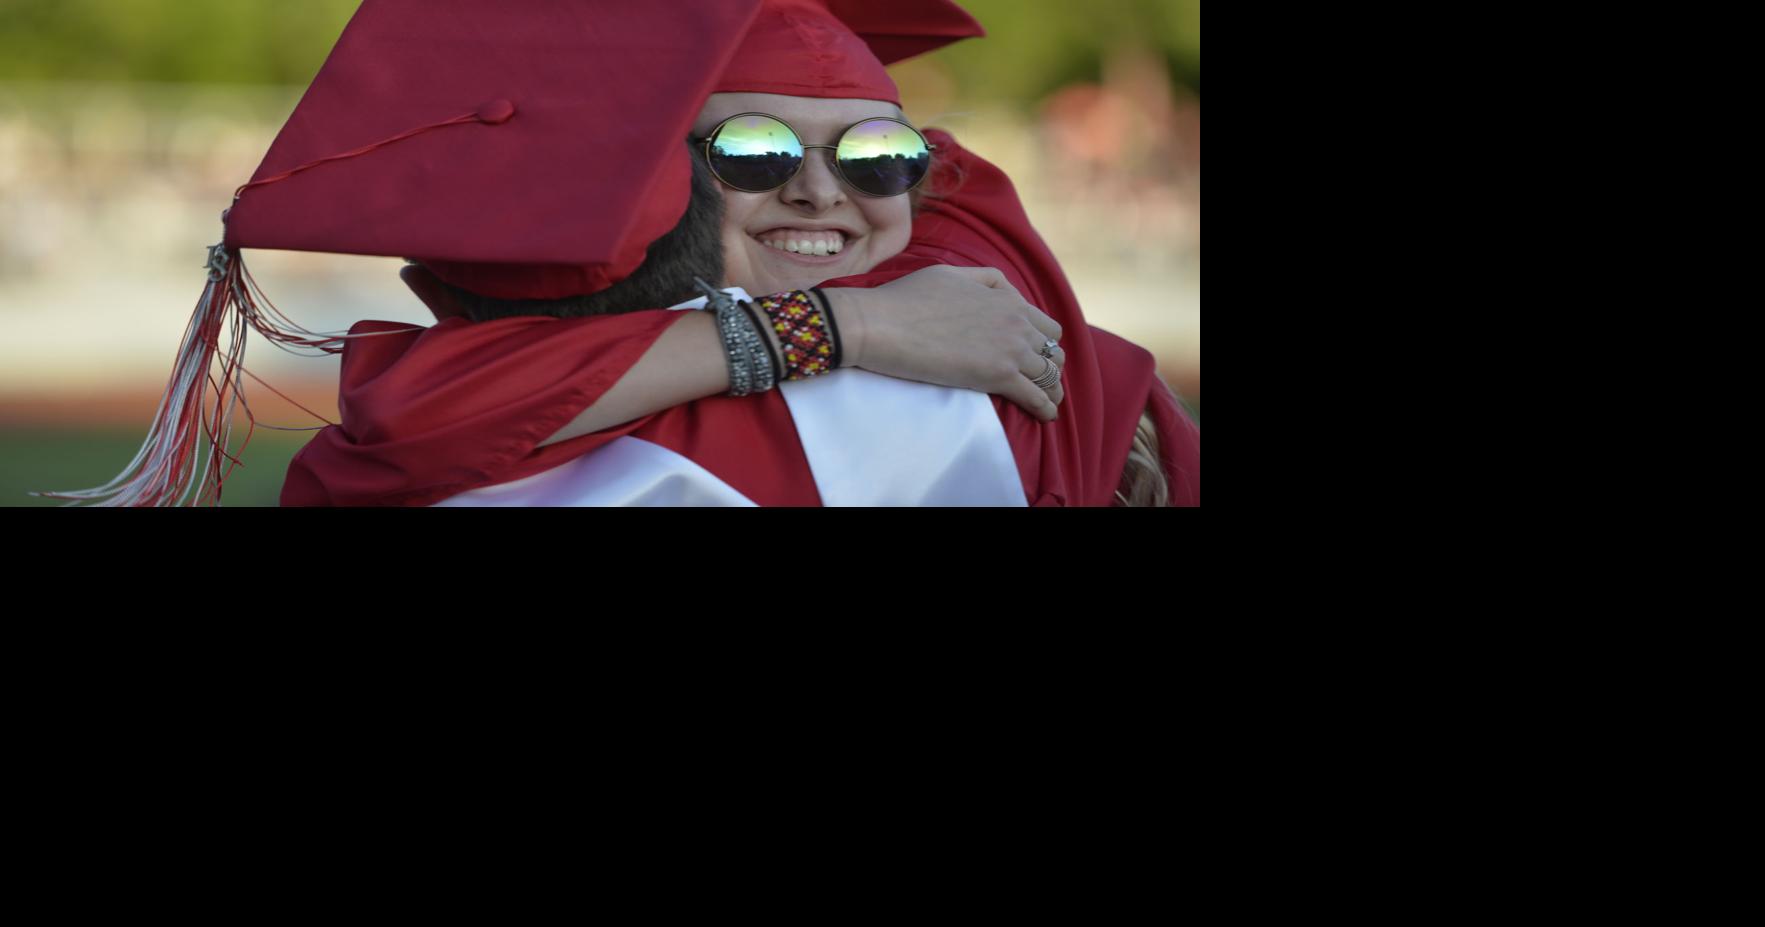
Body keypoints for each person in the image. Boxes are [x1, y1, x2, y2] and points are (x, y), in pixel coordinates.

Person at [277, 0, 1199, 506]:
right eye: (752, 152)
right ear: (649, 178)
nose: (820, 190)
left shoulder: (987, 331)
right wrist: (843, 325)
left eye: (882, 156)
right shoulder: (970, 369)